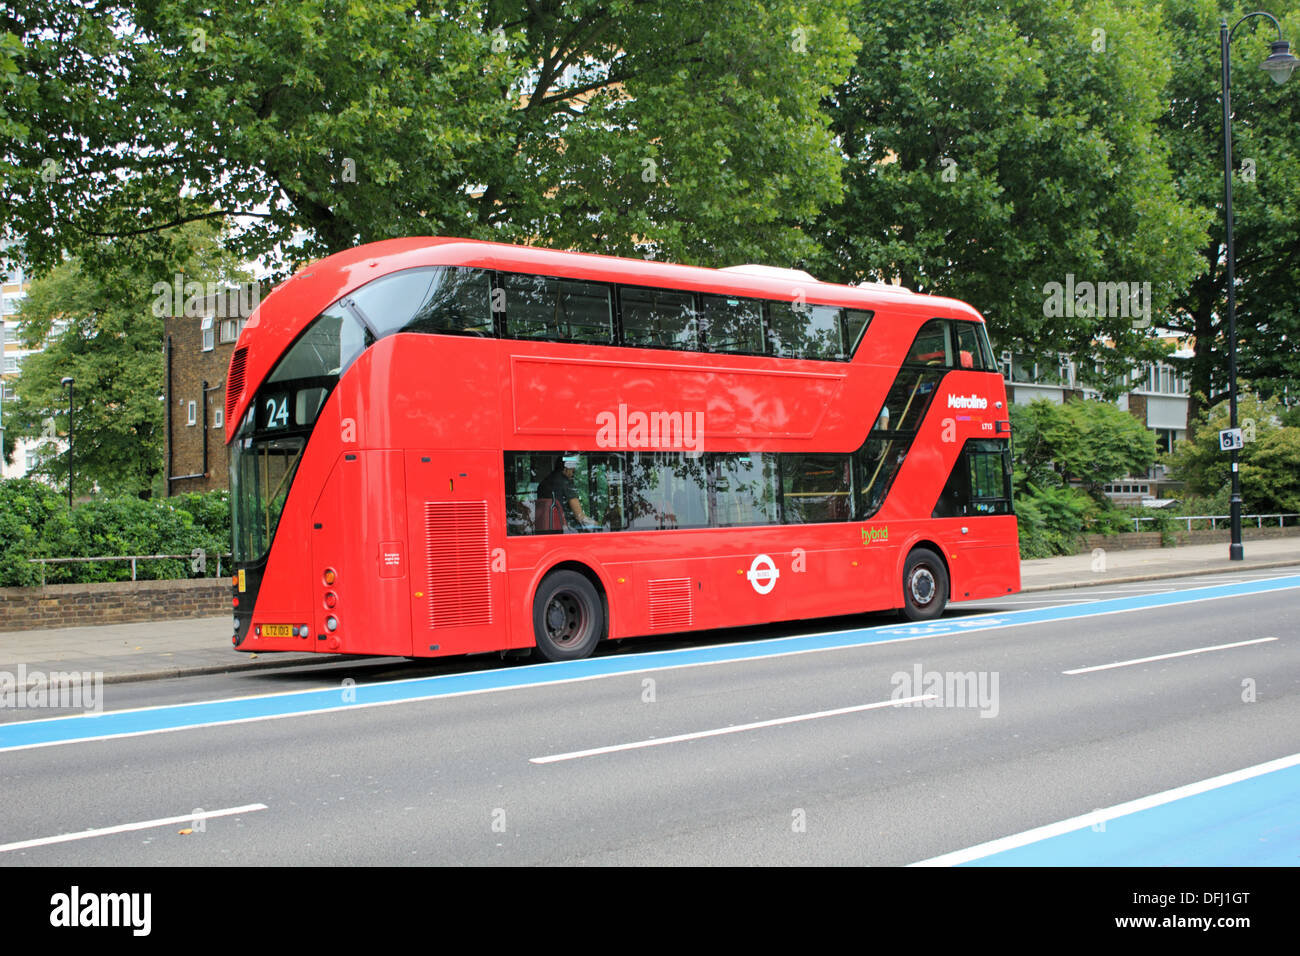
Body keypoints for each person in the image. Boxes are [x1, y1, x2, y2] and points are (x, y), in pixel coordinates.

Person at [537, 455, 594, 530]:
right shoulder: (566, 483)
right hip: (568, 529)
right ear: (566, 468)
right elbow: (580, 517)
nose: (573, 473)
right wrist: (599, 525)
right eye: (573, 470)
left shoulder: (543, 484)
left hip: (547, 530)